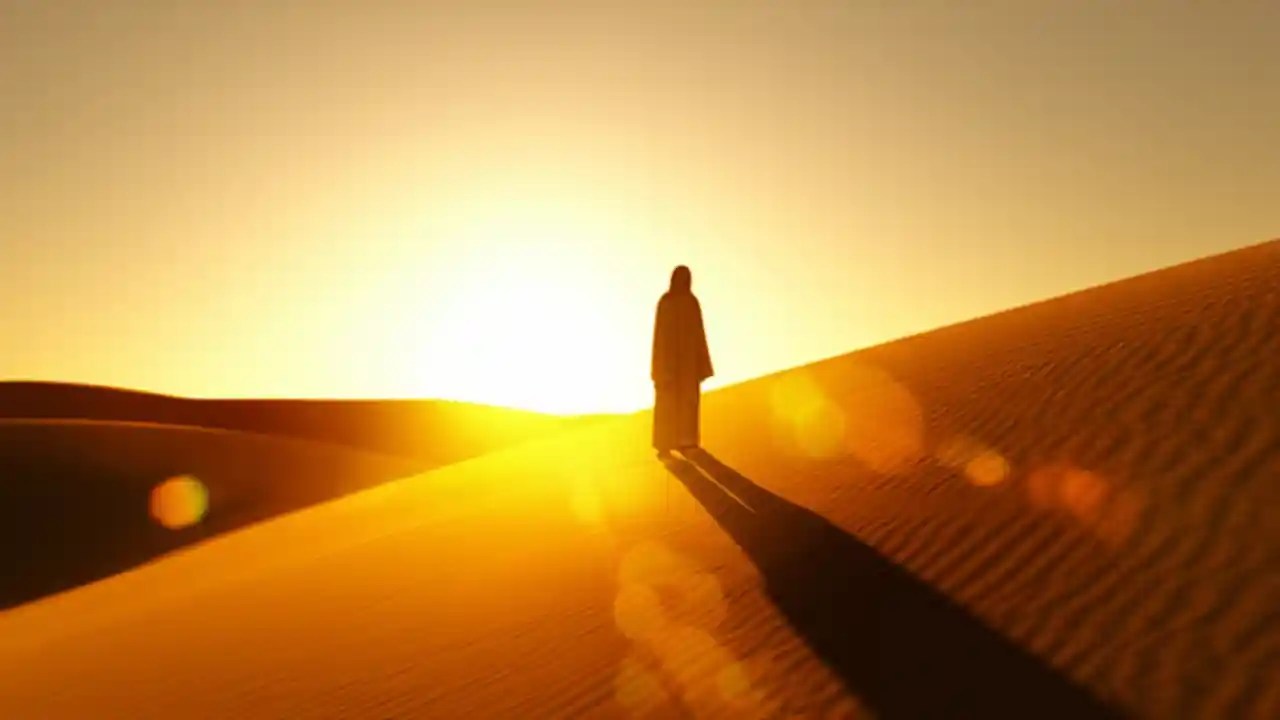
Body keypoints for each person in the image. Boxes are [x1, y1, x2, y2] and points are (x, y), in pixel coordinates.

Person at [651, 265, 714, 456]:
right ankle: (664, 444)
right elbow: (658, 337)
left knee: (687, 403)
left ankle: (686, 441)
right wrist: (657, 369)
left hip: (688, 365)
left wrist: (703, 364)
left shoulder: (691, 302)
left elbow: (698, 334)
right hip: (669, 365)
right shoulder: (666, 303)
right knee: (668, 405)